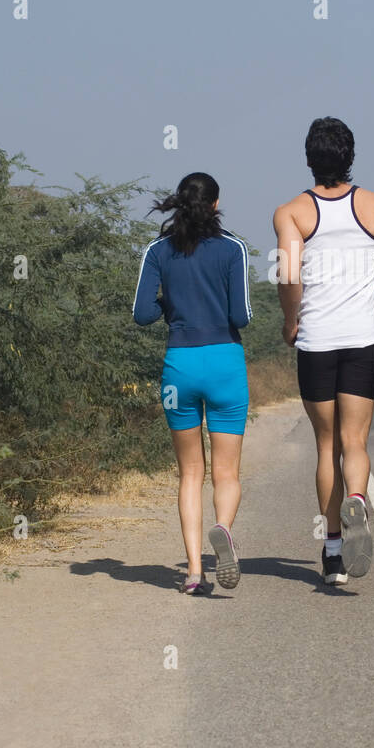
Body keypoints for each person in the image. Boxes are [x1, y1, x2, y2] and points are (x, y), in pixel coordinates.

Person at [272, 118, 374, 585]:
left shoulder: (292, 212)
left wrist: (291, 321)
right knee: (356, 443)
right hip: (361, 339)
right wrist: (369, 282)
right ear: (350, 155)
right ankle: (358, 497)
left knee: (326, 444)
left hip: (317, 340)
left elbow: (290, 277)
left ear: (309, 158)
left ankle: (333, 552)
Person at [133, 172, 252, 595]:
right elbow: (241, 317)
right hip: (225, 363)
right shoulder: (233, 249)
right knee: (226, 472)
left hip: (178, 368)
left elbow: (142, 314)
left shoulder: (156, 251)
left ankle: (194, 574)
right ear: (216, 204)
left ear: (178, 204)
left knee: (189, 475)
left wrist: (169, 301)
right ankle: (222, 529)